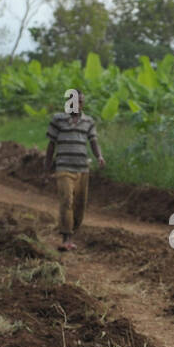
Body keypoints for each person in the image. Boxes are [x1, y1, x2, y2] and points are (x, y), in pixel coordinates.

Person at [44, 89, 105, 252]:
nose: (78, 104)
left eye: (81, 101)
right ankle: (66, 238)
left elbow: (93, 141)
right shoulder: (58, 120)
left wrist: (99, 156)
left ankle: (71, 232)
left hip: (82, 169)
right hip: (64, 167)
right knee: (66, 201)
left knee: (79, 205)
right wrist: (47, 165)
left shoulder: (88, 121)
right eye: (75, 101)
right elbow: (51, 145)